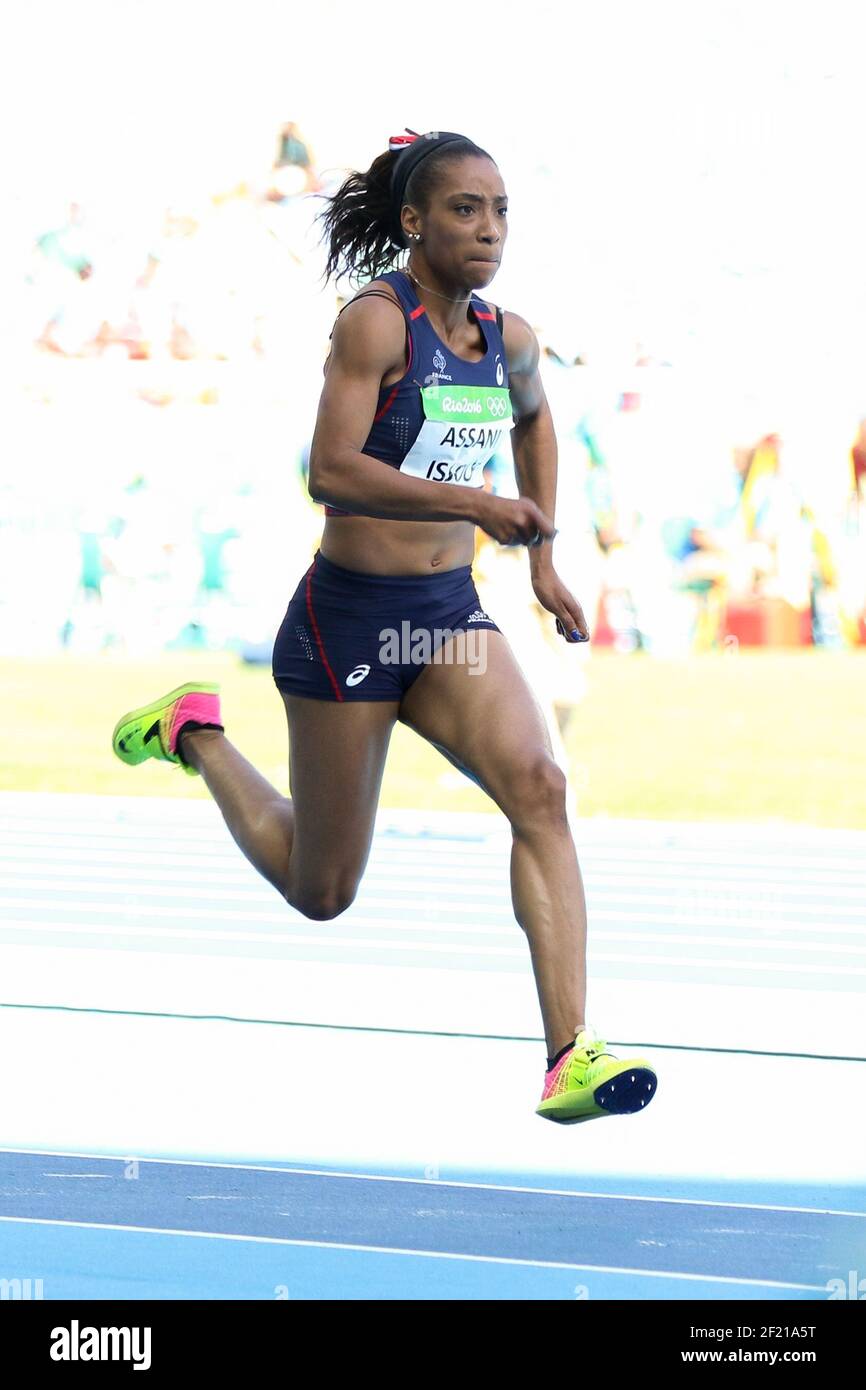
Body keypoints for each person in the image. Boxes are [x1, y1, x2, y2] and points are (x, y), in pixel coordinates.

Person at [111, 130, 657, 1124]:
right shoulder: (375, 324)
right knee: (321, 889)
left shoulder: (509, 336)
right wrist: (482, 509)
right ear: (412, 221)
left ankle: (568, 1056)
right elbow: (332, 470)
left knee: (539, 784)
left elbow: (533, 419)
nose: (486, 230)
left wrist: (540, 558)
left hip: (447, 620)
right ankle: (192, 731)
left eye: (498, 212)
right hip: (350, 625)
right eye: (463, 209)